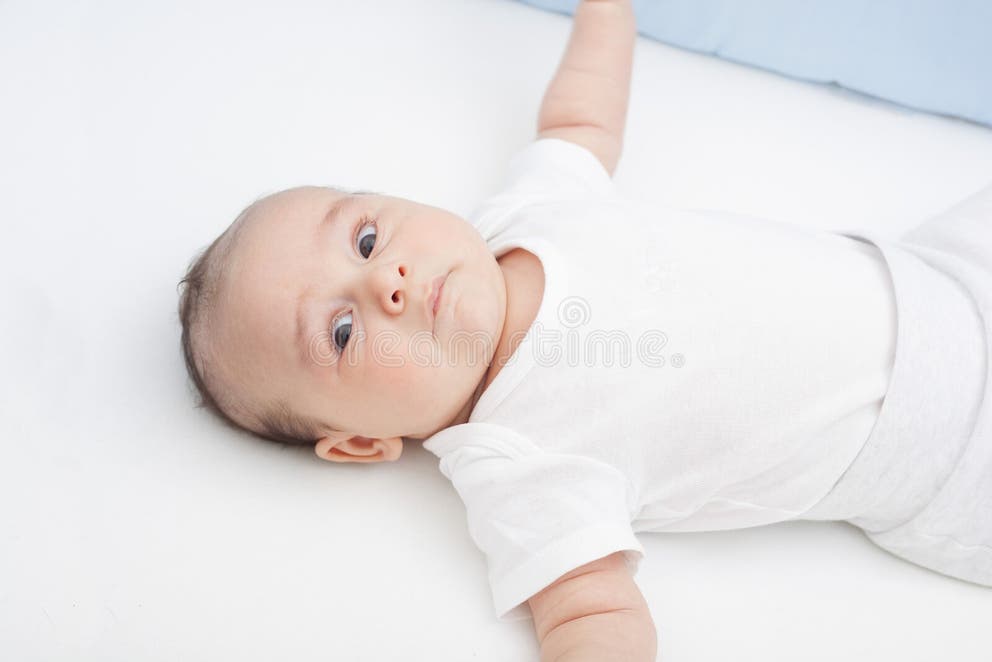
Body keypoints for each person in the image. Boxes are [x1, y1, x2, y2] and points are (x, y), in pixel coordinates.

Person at [177, 1, 991, 659]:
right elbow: (589, 612)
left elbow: (580, 119)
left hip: (934, 270)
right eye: (343, 332)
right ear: (359, 443)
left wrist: (604, 15)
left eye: (365, 239)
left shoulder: (525, 213)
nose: (385, 281)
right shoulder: (516, 462)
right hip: (944, 448)